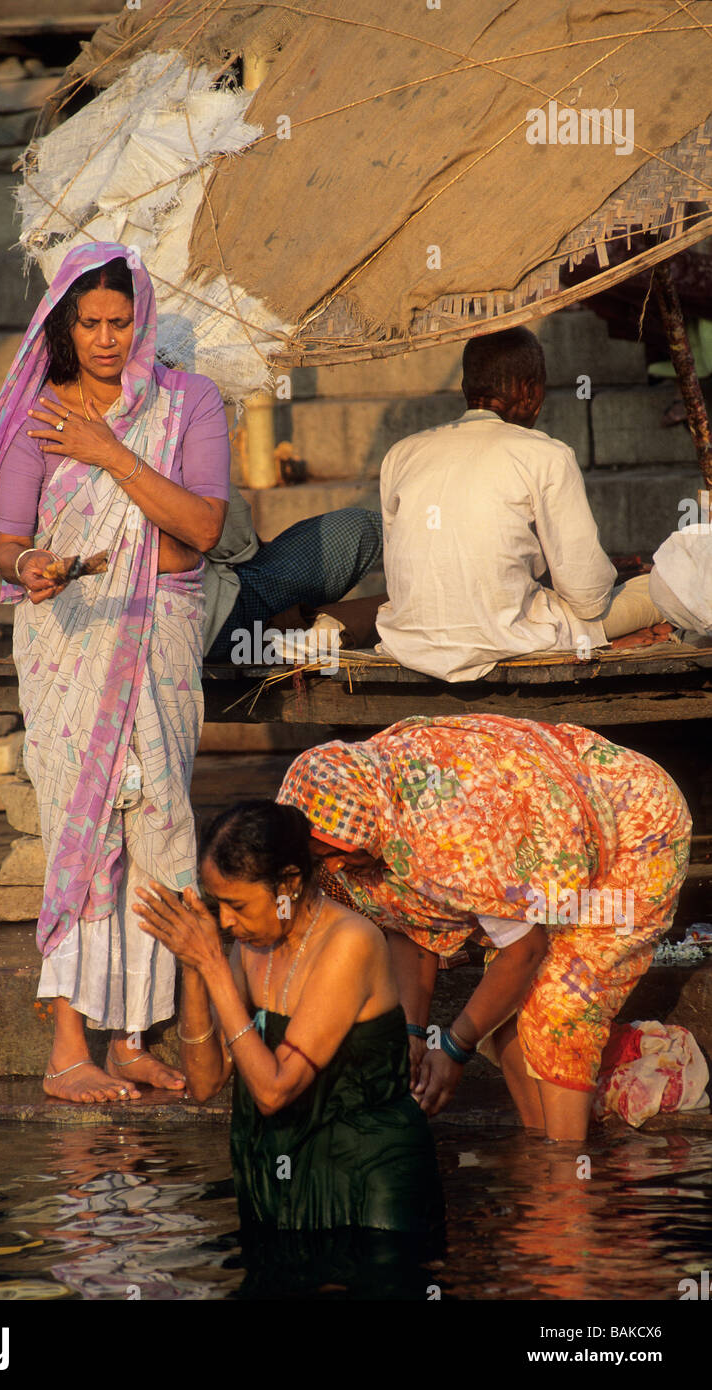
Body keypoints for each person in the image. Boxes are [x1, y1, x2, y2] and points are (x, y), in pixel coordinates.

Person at [0, 242, 230, 1103]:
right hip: (69, 637)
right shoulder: (37, 414)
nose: (107, 339)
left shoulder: (189, 402)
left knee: (157, 825)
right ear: (64, 325)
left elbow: (203, 527)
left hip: (160, 639)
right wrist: (30, 562)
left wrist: (110, 452)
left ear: (139, 319)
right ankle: (67, 1048)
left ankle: (130, 1040)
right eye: (91, 323)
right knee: (84, 827)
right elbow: (7, 541)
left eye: (120, 322)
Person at [276, 713, 691, 1143]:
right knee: (506, 1015)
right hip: (553, 830)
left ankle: (568, 1181)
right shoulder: (369, 819)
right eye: (321, 857)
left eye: (337, 855)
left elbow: (524, 951)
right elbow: (410, 924)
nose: (335, 867)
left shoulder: (456, 836)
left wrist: (455, 1049)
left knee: (558, 1009)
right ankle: (544, 1152)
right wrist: (413, 1034)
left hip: (633, 828)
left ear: (365, 827)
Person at [132, 800, 443, 1294]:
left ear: (289, 883)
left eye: (238, 905)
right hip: (280, 1181)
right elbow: (206, 1084)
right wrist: (194, 968)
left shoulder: (350, 942)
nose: (228, 922)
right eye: (219, 907)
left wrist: (214, 965)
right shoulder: (247, 944)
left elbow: (275, 1090)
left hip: (366, 1187)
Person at [375, 326, 664, 681]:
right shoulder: (547, 455)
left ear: (466, 389)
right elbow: (589, 598)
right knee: (659, 588)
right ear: (530, 392)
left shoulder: (401, 454)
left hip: (410, 642)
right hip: (506, 639)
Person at [203, 486, 383, 661]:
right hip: (220, 624)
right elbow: (236, 542)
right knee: (358, 526)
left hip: (197, 624)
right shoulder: (187, 460)